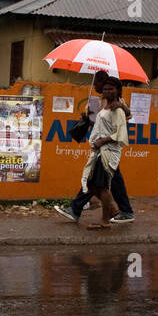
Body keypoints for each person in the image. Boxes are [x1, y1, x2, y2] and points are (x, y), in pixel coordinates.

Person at [55, 71, 135, 223]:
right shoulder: (96, 100)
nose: (99, 87)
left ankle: (77, 209)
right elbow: (97, 122)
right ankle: (122, 211)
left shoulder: (117, 101)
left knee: (94, 180)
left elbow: (126, 118)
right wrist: (88, 117)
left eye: (101, 83)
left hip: (109, 148)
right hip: (101, 148)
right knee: (112, 181)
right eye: (99, 84)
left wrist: (123, 108)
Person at [77, 80, 130, 230]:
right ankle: (111, 209)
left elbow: (120, 133)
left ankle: (106, 217)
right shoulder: (104, 105)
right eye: (105, 89)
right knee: (93, 184)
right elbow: (102, 125)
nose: (107, 91)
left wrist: (102, 141)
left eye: (111, 89)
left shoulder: (118, 108)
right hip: (100, 151)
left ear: (118, 90)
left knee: (101, 186)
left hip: (108, 152)